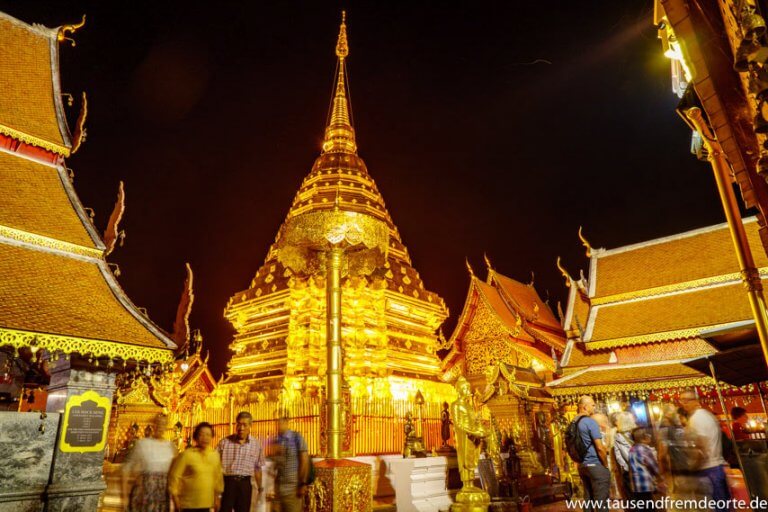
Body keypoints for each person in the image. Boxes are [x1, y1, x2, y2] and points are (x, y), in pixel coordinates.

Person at [679, 390, 730, 512]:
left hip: (708, 469)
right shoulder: (706, 415)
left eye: (687, 400)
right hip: (715, 467)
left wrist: (693, 466)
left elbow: (701, 445)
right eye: (682, 400)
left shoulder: (697, 419)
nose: (684, 404)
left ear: (696, 401)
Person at [122, 414, 176, 512]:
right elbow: (126, 469)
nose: (160, 426)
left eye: (163, 424)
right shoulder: (142, 444)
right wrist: (125, 496)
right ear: (153, 425)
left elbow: (176, 471)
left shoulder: (171, 446)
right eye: (158, 423)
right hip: (144, 492)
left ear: (166, 426)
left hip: (163, 493)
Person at [169, 422, 224, 512]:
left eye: (208, 435)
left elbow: (218, 478)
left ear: (211, 437)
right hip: (188, 504)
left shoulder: (214, 455)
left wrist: (217, 497)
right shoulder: (187, 455)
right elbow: (175, 476)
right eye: (201, 435)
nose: (205, 438)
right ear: (196, 437)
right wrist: (175, 497)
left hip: (206, 503)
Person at [218, 411, 265, 512]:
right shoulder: (224, 442)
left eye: (244, 425)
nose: (241, 428)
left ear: (250, 426)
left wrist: (260, 487)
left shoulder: (256, 445)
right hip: (227, 483)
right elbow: (215, 465)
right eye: (239, 424)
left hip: (245, 484)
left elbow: (257, 468)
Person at [572, 396, 610, 512]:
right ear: (584, 407)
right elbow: (599, 448)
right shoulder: (590, 422)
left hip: (582, 465)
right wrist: (606, 465)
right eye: (592, 405)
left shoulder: (573, 423)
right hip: (595, 464)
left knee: (588, 499)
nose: (594, 407)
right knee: (601, 501)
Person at [271, 413, 308, 512]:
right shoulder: (276, 440)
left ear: (287, 422)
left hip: (293, 489)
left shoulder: (297, 438)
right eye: (276, 422)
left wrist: (302, 483)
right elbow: (275, 467)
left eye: (281, 421)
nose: (278, 424)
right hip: (279, 490)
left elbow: (304, 461)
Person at [628, 428, 663, 511]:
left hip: (637, 486)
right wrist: (660, 478)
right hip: (646, 485)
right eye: (648, 434)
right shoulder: (645, 449)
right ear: (644, 437)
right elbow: (654, 467)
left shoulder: (632, 450)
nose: (650, 436)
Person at [613, 411, 636, 506]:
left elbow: (619, 457)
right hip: (641, 470)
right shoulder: (637, 434)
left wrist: (625, 467)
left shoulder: (617, 437)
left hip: (628, 471)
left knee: (631, 499)